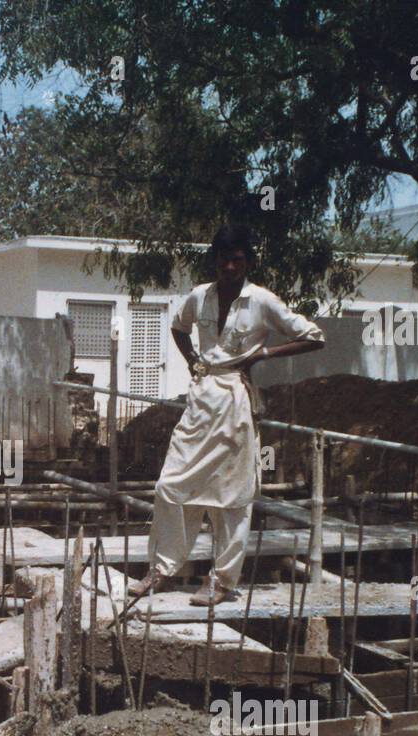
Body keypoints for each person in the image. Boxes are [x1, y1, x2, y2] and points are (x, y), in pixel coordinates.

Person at [131, 224, 325, 606]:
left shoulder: (262, 301)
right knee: (171, 485)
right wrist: (191, 362)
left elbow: (313, 336)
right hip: (201, 398)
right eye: (224, 261)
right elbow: (177, 327)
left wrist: (264, 354)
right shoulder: (199, 297)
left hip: (237, 399)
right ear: (216, 262)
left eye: (237, 261)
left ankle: (221, 581)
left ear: (247, 262)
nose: (230, 268)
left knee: (232, 497)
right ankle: (161, 569)